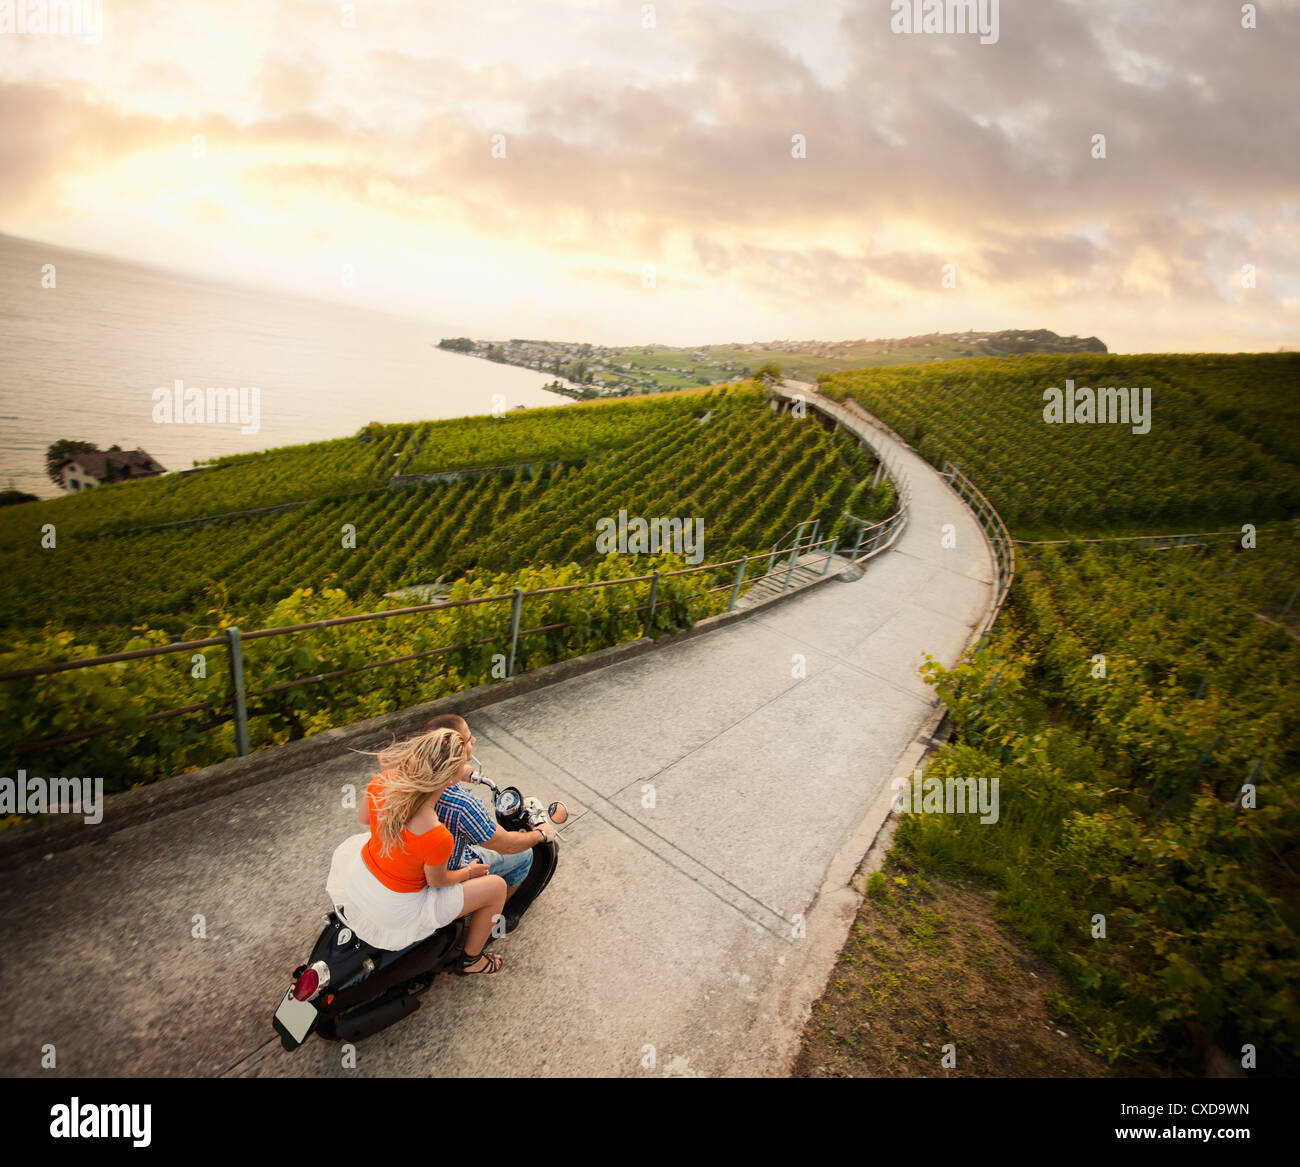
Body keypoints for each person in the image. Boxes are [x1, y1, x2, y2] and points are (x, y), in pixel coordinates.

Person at [325, 726, 509, 974]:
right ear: (451, 779)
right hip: (397, 909)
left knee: (367, 841)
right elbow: (438, 882)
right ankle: (472, 960)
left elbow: (365, 819)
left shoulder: (383, 782)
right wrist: (469, 872)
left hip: (361, 881)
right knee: (497, 887)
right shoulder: (436, 834)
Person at [421, 713, 555, 926]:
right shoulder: (463, 806)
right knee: (524, 857)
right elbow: (507, 845)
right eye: (467, 739)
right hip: (453, 870)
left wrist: (456, 773)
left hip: (419, 867)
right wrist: (540, 835)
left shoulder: (412, 775)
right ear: (455, 750)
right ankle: (494, 920)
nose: (473, 741)